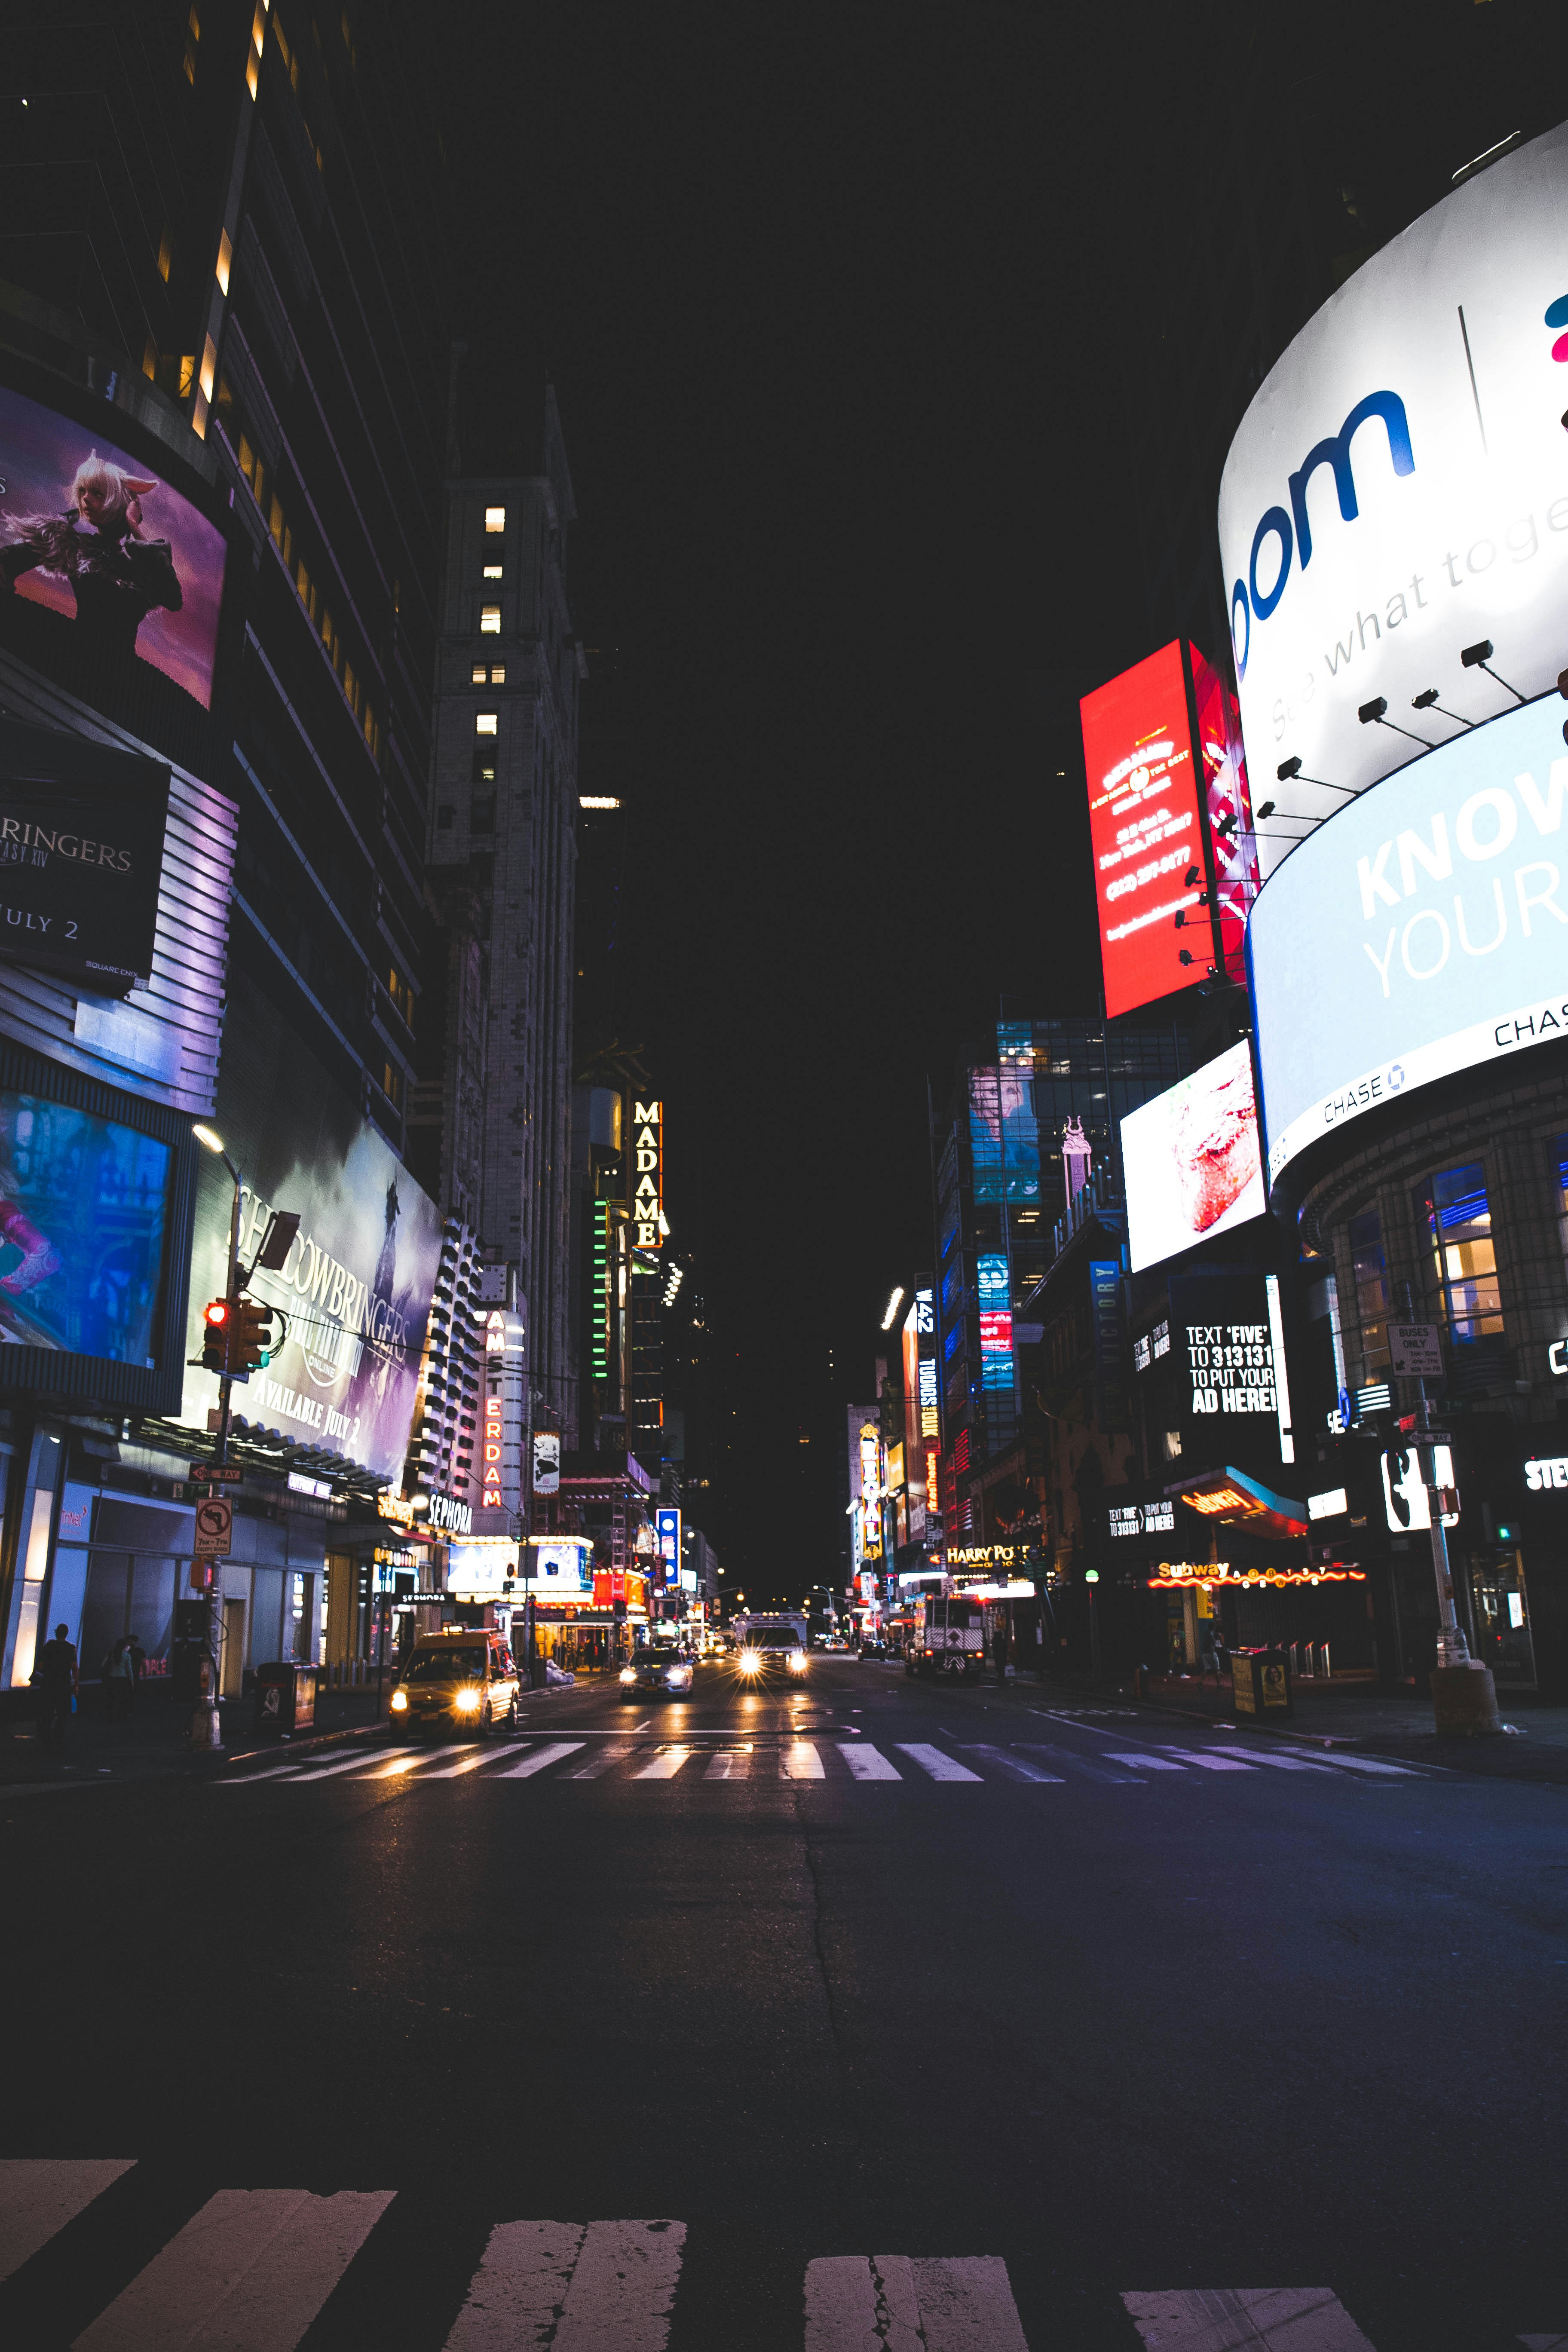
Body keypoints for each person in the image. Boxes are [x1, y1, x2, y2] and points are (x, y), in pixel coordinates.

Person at [0, 450, 182, 663]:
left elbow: (173, 600)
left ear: (121, 504)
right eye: (83, 491)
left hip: (118, 678)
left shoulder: (138, 565)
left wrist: (134, 528)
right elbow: (8, 559)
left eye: (97, 493)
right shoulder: (76, 545)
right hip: (78, 666)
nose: (85, 498)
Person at [32, 1623, 77, 1746]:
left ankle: (46, 1737)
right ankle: (58, 1738)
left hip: (49, 1682)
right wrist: (76, 1685)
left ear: (57, 1633)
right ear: (67, 1634)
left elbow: (40, 1666)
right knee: (63, 1713)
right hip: (64, 1684)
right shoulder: (71, 1648)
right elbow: (74, 1668)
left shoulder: (49, 1646)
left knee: (47, 1710)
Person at [102, 1634, 135, 1722]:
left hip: (112, 1678)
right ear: (125, 1646)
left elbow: (103, 1664)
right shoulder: (127, 1656)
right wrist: (132, 1681)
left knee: (111, 1698)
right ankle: (121, 1717)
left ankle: (109, 1716)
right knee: (123, 1700)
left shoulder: (112, 1654)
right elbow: (129, 1670)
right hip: (123, 1680)